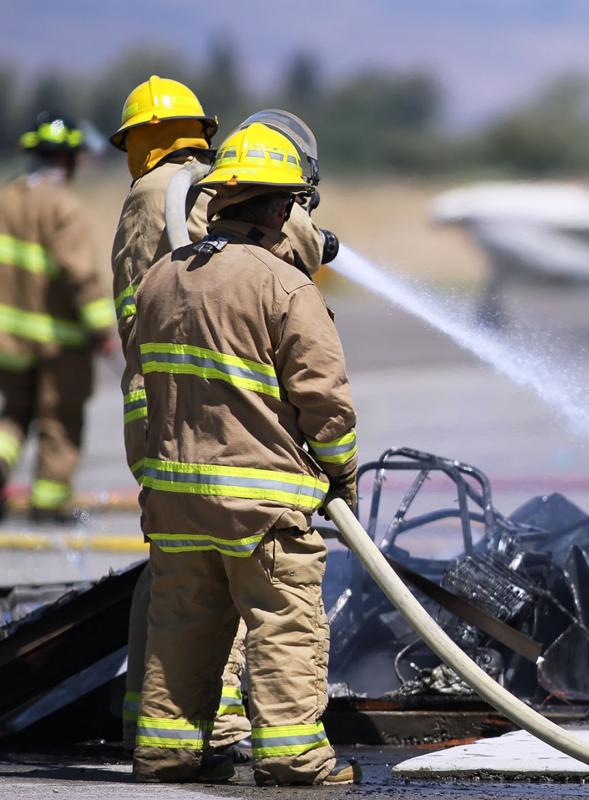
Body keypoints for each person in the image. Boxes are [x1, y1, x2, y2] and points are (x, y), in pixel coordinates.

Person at [110, 76, 338, 755]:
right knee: (242, 571)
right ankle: (242, 730)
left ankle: (158, 734)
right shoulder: (183, 193)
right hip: (200, 411)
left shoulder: (161, 195)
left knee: (179, 569)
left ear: (135, 141)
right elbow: (269, 277)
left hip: (167, 407)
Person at [0, 112, 116, 521]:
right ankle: (49, 505)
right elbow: (80, 274)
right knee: (59, 421)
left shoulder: (7, 198)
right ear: (67, 160)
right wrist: (102, 328)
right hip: (58, 342)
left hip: (8, 340)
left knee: (14, 414)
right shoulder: (65, 207)